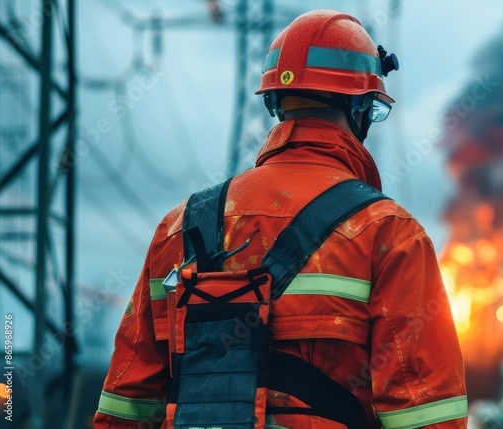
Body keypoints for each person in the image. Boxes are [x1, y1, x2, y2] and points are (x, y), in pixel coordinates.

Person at [94, 10, 468, 429]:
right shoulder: (389, 234)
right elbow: (427, 416)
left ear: (274, 103)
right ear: (359, 106)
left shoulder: (178, 228)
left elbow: (124, 409)